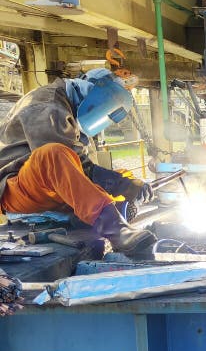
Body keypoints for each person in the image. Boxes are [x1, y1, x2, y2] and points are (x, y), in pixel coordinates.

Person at [0, 68, 156, 255]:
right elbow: (62, 166)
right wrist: (120, 185)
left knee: (120, 175)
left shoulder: (69, 111)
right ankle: (115, 229)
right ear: (93, 91)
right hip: (18, 189)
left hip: (50, 190)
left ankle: (113, 210)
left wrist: (126, 183)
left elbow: (80, 172)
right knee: (52, 154)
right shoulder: (47, 104)